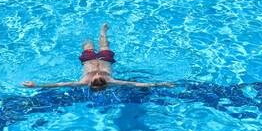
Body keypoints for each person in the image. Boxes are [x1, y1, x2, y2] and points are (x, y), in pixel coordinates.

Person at [21, 23, 174, 92]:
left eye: (97, 76)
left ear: (91, 83)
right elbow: (137, 85)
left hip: (88, 60)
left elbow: (60, 84)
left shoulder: (83, 82)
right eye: (101, 76)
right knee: (104, 45)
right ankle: (103, 31)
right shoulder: (111, 80)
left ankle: (87, 35)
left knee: (87, 45)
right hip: (106, 59)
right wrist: (161, 84)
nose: (99, 74)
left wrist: (36, 85)